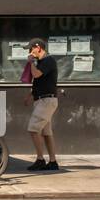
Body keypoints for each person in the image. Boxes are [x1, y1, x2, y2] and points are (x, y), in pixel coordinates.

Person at [24, 38, 60, 172]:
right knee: (46, 133)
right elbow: (39, 82)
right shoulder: (41, 62)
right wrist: (30, 95)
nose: (29, 52)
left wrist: (32, 62)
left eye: (31, 49)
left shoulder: (48, 60)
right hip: (43, 100)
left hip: (46, 101)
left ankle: (40, 159)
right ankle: (53, 161)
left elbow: (37, 75)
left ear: (38, 47)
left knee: (33, 129)